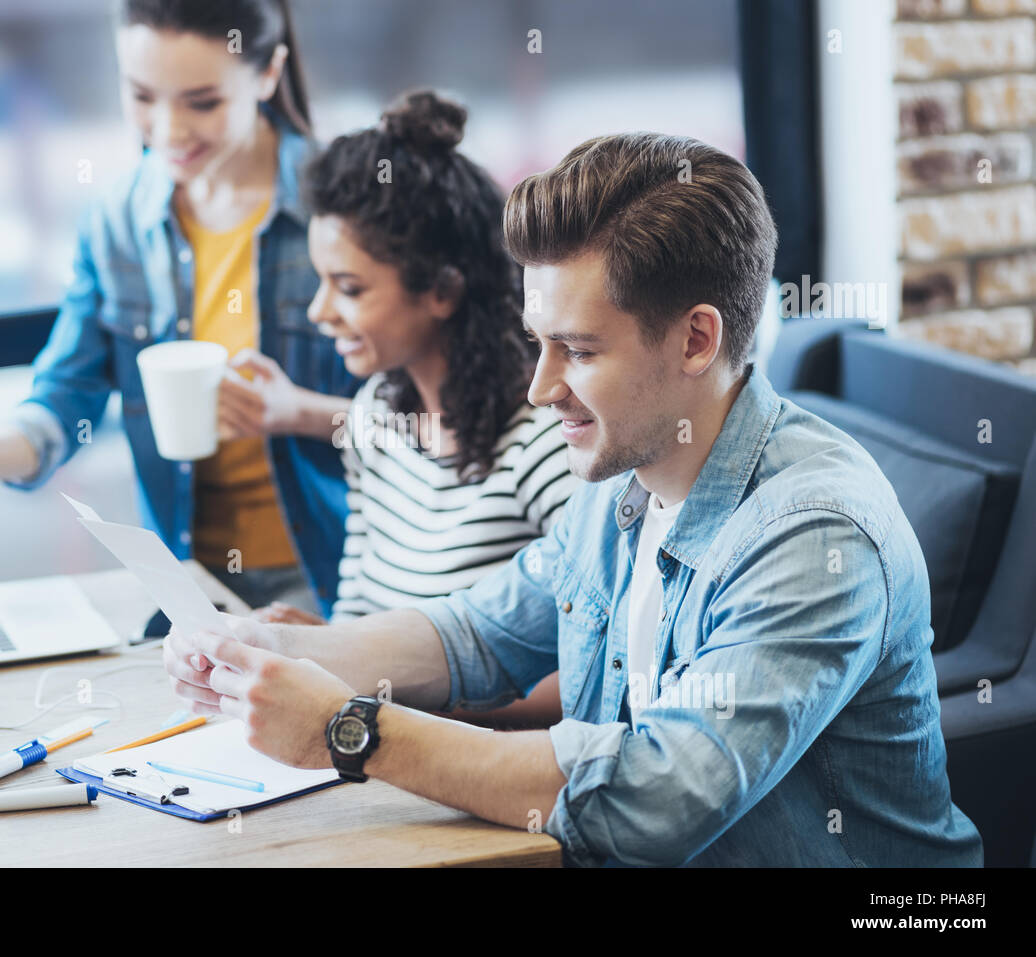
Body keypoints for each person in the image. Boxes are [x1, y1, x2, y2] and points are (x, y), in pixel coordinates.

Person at [164, 131, 985, 866]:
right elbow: (476, 634)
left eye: (579, 350)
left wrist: (353, 731)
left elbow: (662, 795)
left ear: (698, 339)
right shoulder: (623, 470)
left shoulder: (813, 535)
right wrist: (263, 652)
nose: (541, 385)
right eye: (538, 342)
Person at [0, 0, 358, 619]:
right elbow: (65, 394)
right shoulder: (118, 222)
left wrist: (297, 413)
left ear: (269, 75)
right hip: (188, 590)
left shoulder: (345, 208)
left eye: (202, 102)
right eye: (141, 96)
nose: (166, 130)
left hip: (335, 581)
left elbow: (425, 426)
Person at [251, 90, 578, 728]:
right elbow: (359, 613)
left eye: (349, 288)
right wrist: (316, 647)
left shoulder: (545, 443)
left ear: (442, 290)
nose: (321, 312)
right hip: (386, 745)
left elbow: (591, 678)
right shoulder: (376, 414)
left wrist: (399, 697)